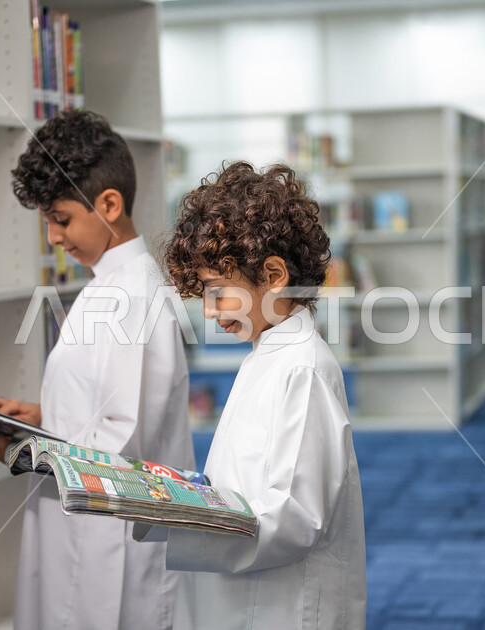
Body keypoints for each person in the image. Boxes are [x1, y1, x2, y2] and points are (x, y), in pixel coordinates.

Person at [0, 110, 193, 630]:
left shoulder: (130, 296)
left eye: (61, 219)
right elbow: (108, 407)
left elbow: (115, 456)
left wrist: (13, 448)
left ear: (109, 205)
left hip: (114, 550)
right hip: (81, 532)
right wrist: (38, 415)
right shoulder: (105, 285)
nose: (53, 238)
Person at [146, 161, 367, 628]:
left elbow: (296, 517)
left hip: (281, 607)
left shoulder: (303, 368)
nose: (208, 311)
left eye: (217, 292)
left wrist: (185, 521)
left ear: (273, 274)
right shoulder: (265, 352)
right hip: (244, 598)